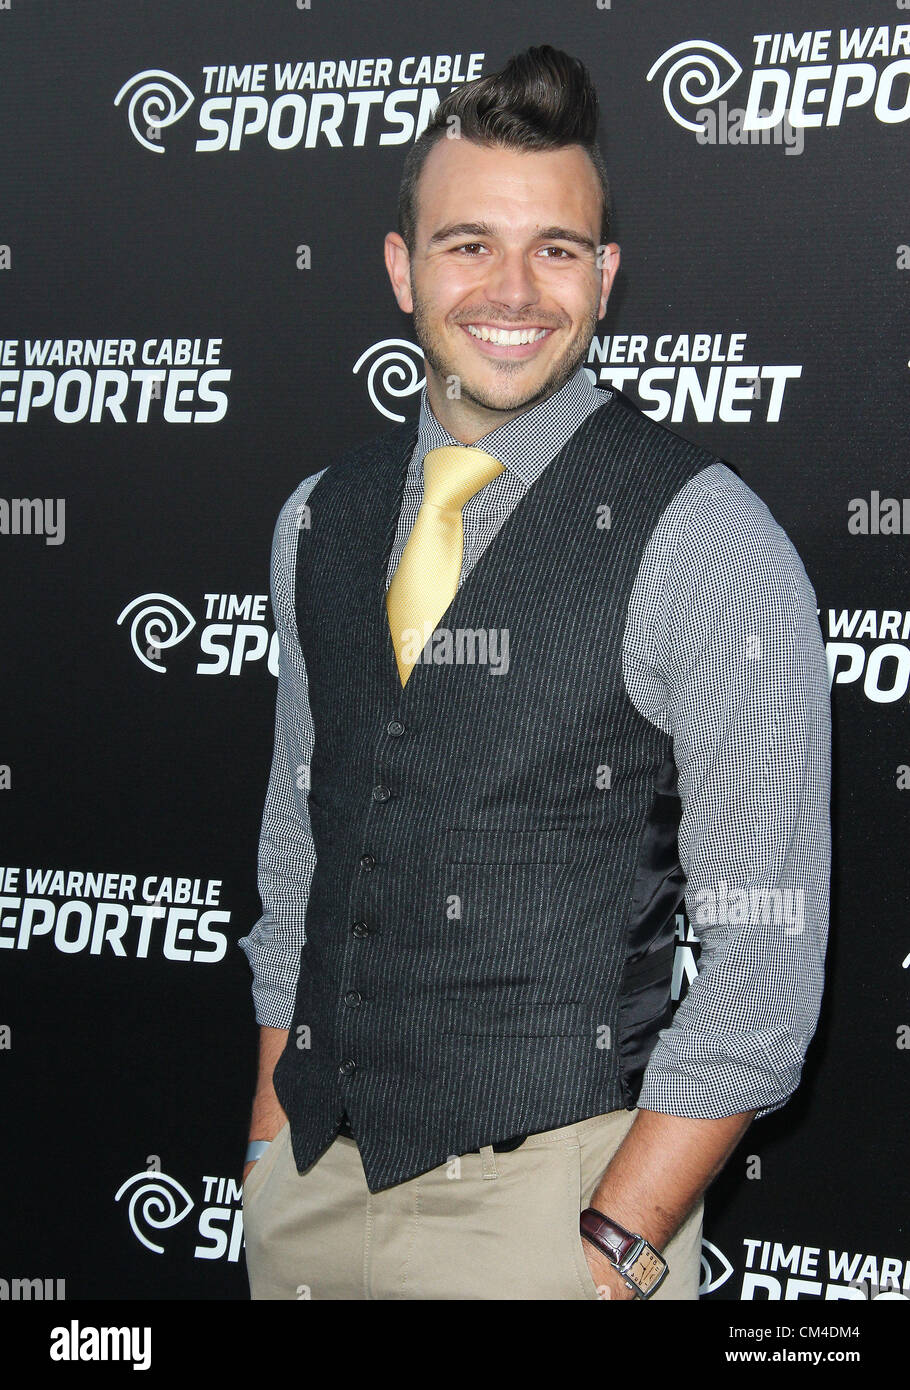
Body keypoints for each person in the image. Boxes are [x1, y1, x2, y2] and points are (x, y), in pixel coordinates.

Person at [238, 44, 831, 1301]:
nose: (512, 290)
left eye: (555, 250)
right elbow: (301, 855)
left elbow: (765, 964)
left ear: (603, 278)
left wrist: (611, 1250)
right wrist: (266, 1148)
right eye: (468, 245)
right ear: (401, 268)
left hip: (550, 1218)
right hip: (307, 1196)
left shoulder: (703, 536)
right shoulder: (317, 516)